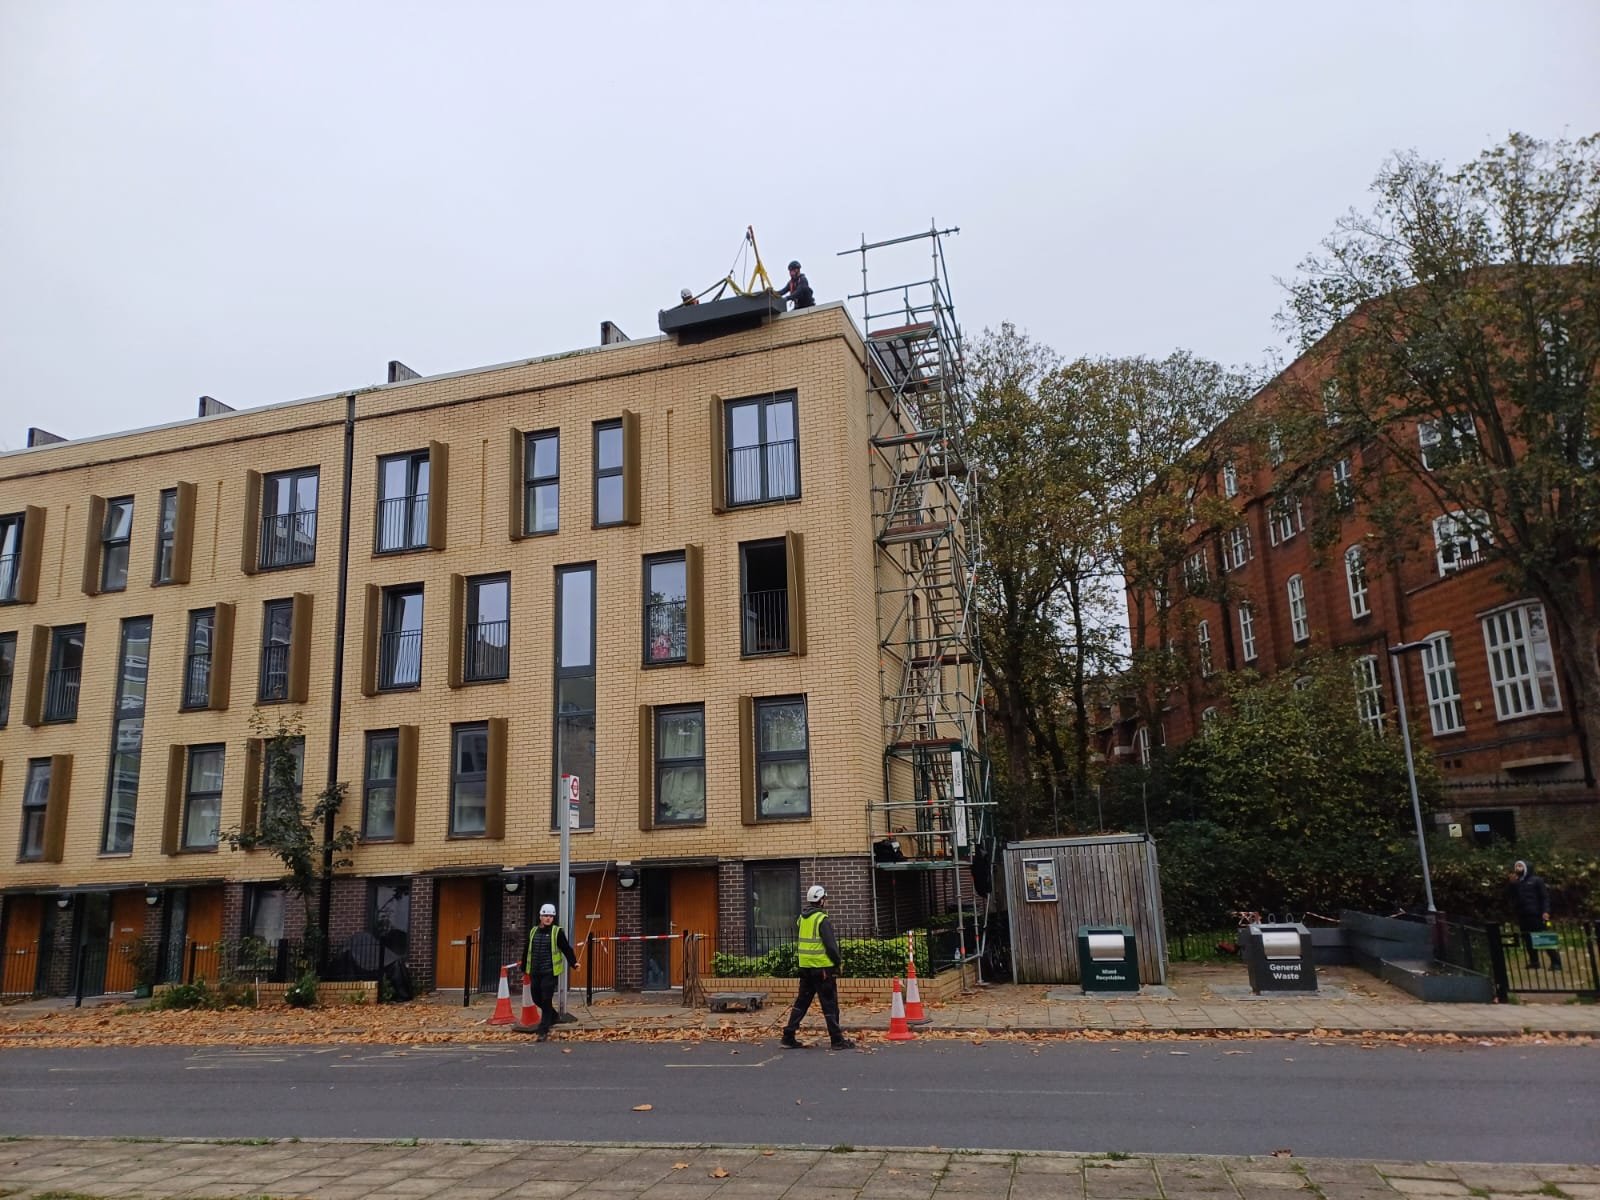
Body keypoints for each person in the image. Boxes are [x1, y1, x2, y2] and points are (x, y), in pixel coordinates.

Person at [781, 884, 855, 1050]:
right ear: (821, 900)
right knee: (829, 1004)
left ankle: (788, 1035)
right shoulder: (822, 919)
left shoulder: (802, 918)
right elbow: (831, 946)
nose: (825, 901)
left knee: (802, 1002)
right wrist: (837, 962)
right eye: (825, 899)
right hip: (822, 969)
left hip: (805, 968)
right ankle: (837, 1040)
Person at [524, 902, 579, 1040]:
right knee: (536, 997)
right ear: (540, 917)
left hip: (550, 971)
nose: (548, 918)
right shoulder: (533, 931)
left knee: (546, 998)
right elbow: (527, 950)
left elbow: (566, 948)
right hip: (535, 971)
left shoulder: (557, 932)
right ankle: (553, 1016)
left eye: (551, 916)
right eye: (545, 915)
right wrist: (524, 968)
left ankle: (543, 1029)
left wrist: (574, 963)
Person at [1508, 860, 1562, 971]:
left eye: (1520, 866)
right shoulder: (1516, 883)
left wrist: (1546, 911)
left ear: (1526, 868)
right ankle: (1534, 961)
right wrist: (1512, 885)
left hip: (1536, 914)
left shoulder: (1536, 881)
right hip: (1522, 915)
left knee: (1543, 938)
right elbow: (1510, 896)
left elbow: (1544, 897)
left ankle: (1556, 962)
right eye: (1516, 866)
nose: (1517, 868)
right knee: (1528, 939)